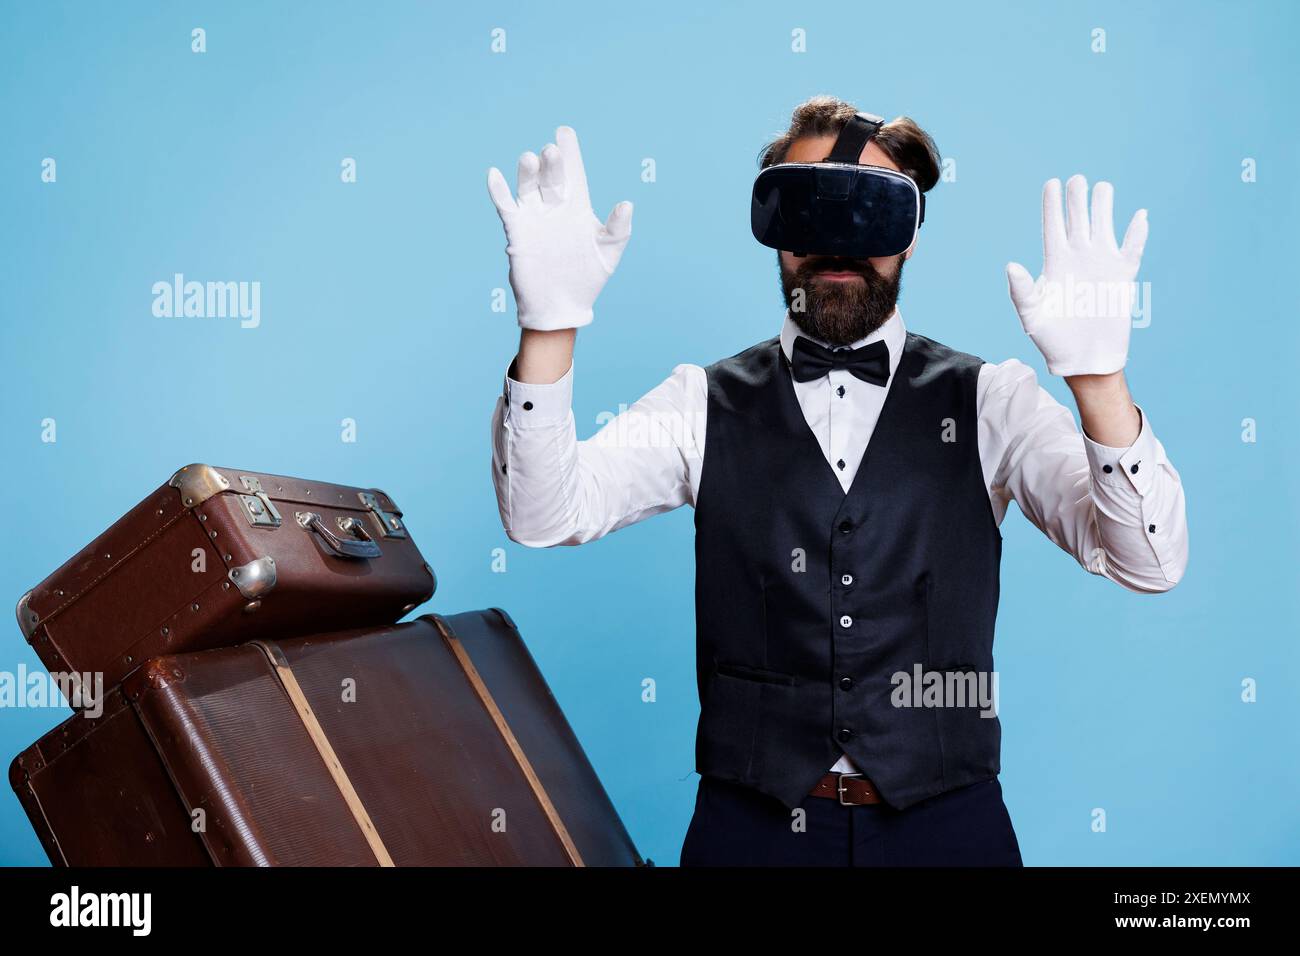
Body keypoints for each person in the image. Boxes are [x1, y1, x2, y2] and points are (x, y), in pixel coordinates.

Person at [485, 96, 1188, 867]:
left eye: (870, 214)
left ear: (912, 236)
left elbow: (1148, 564)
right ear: (775, 229)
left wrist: (1099, 382)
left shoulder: (994, 401)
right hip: (749, 833)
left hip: (948, 831)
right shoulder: (701, 403)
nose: (837, 243)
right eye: (809, 207)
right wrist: (549, 327)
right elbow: (542, 515)